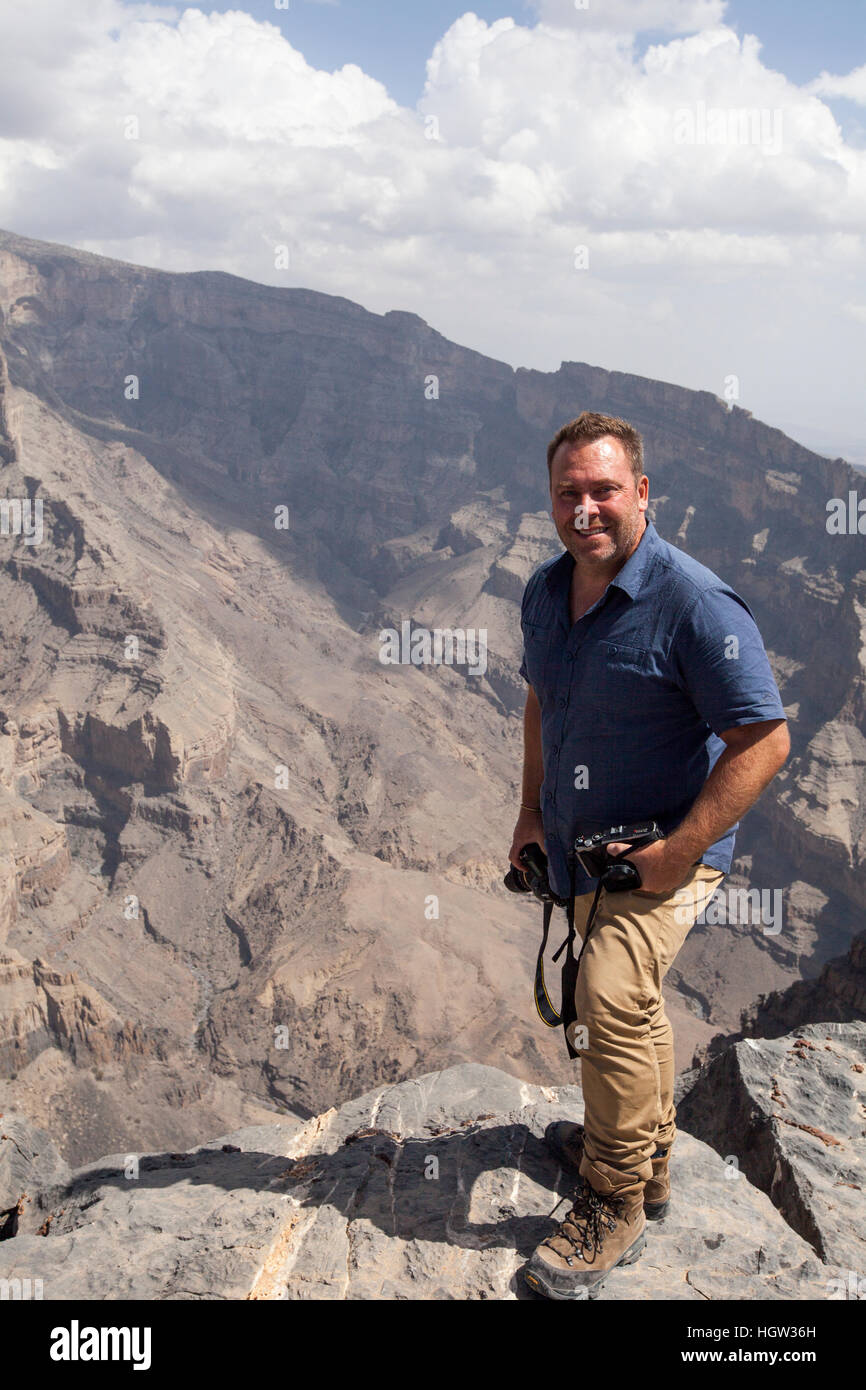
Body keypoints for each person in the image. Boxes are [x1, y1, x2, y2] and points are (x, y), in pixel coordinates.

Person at [511, 411, 790, 1300]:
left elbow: (765, 740)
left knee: (611, 995)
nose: (585, 508)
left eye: (603, 490)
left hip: (668, 845)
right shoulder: (547, 592)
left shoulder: (693, 602)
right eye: (568, 493)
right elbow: (540, 708)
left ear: (642, 494)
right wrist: (527, 814)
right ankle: (644, 1155)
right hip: (581, 844)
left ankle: (615, 1197)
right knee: (620, 1001)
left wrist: (678, 853)